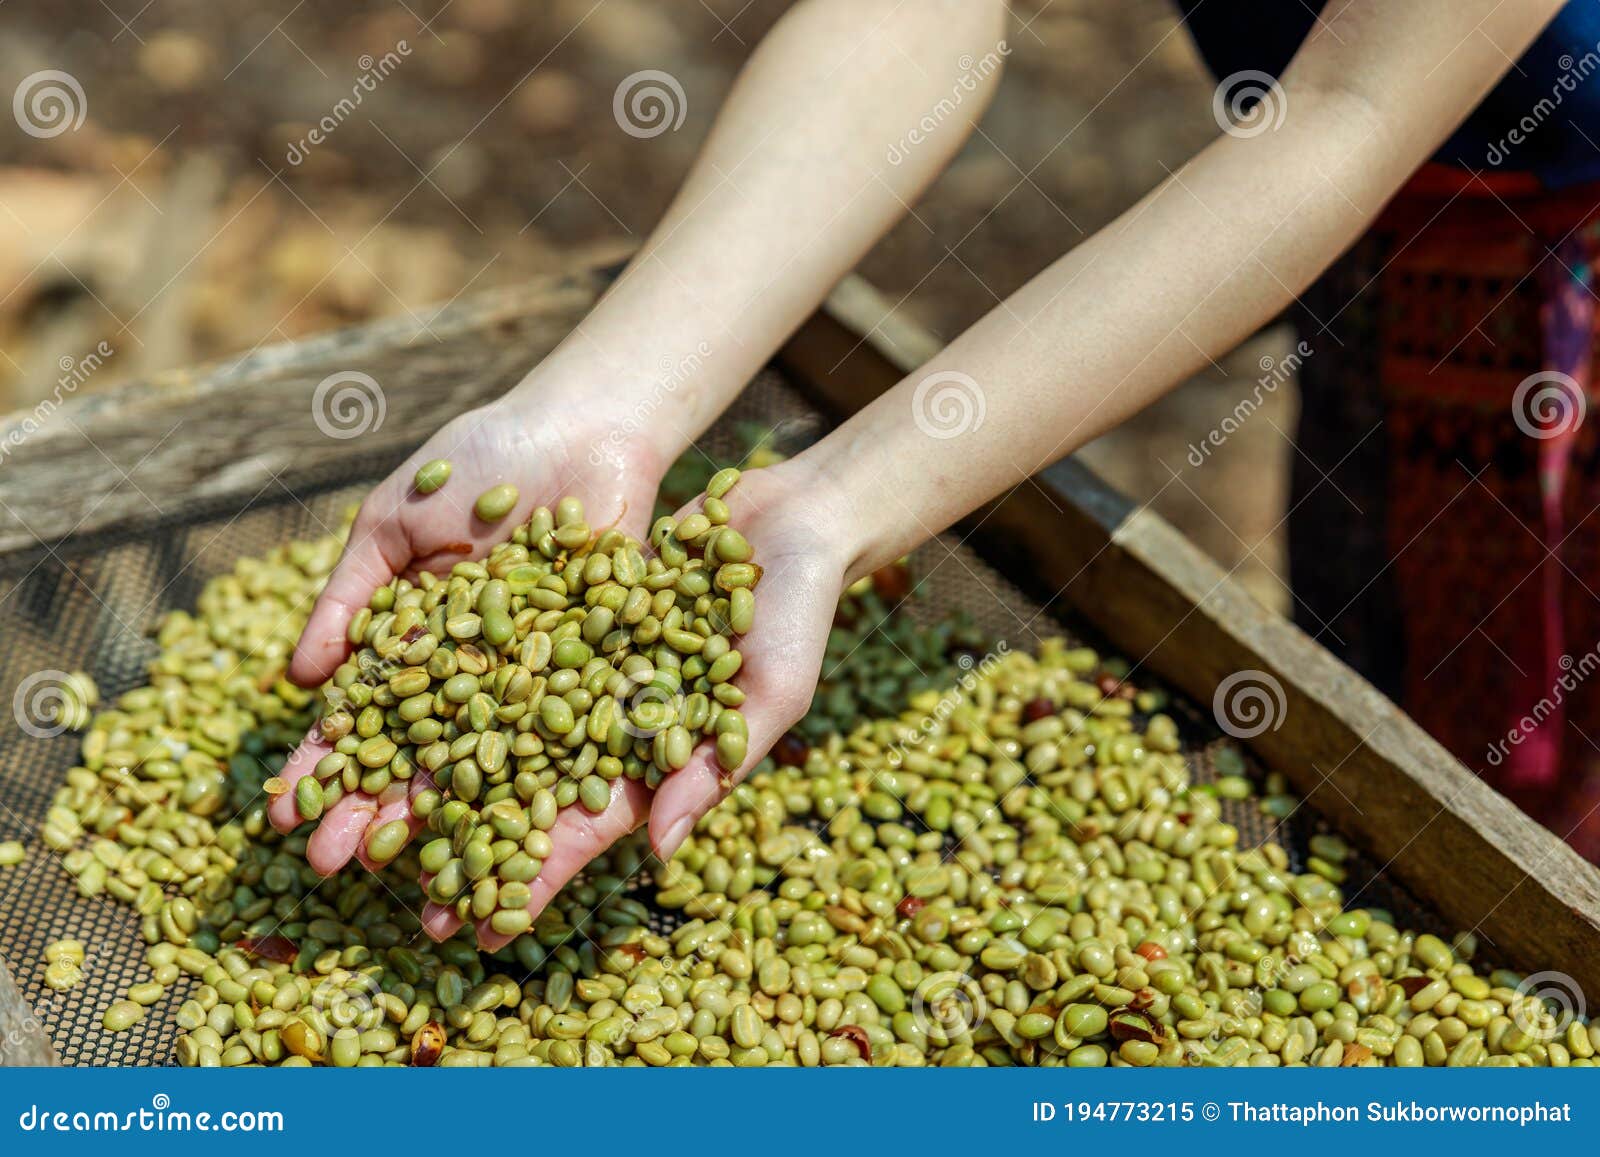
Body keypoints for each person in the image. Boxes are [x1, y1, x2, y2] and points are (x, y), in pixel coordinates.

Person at [269, 0, 1583, 948]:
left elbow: (1348, 112)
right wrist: (608, 410)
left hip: (1549, 232)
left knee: (1528, 820)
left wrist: (842, 499)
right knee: (1383, 698)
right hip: (1378, 225)